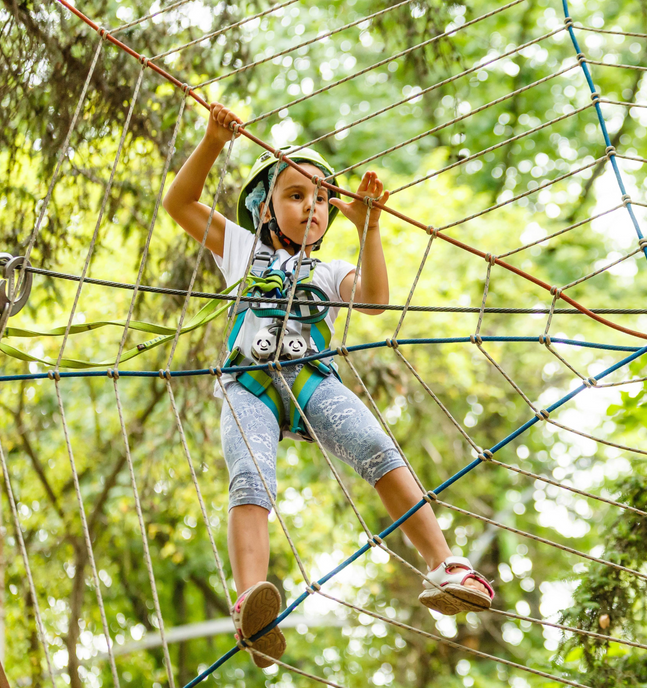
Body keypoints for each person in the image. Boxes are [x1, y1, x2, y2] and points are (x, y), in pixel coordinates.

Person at [163, 103, 493, 668]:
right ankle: (252, 600)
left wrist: (369, 229)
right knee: (251, 475)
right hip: (249, 385)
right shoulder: (242, 249)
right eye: (295, 195)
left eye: (320, 199)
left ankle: (443, 565)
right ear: (265, 206)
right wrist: (215, 141)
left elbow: (374, 301)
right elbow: (178, 204)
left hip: (313, 378)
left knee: (376, 447)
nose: (310, 207)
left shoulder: (329, 270)